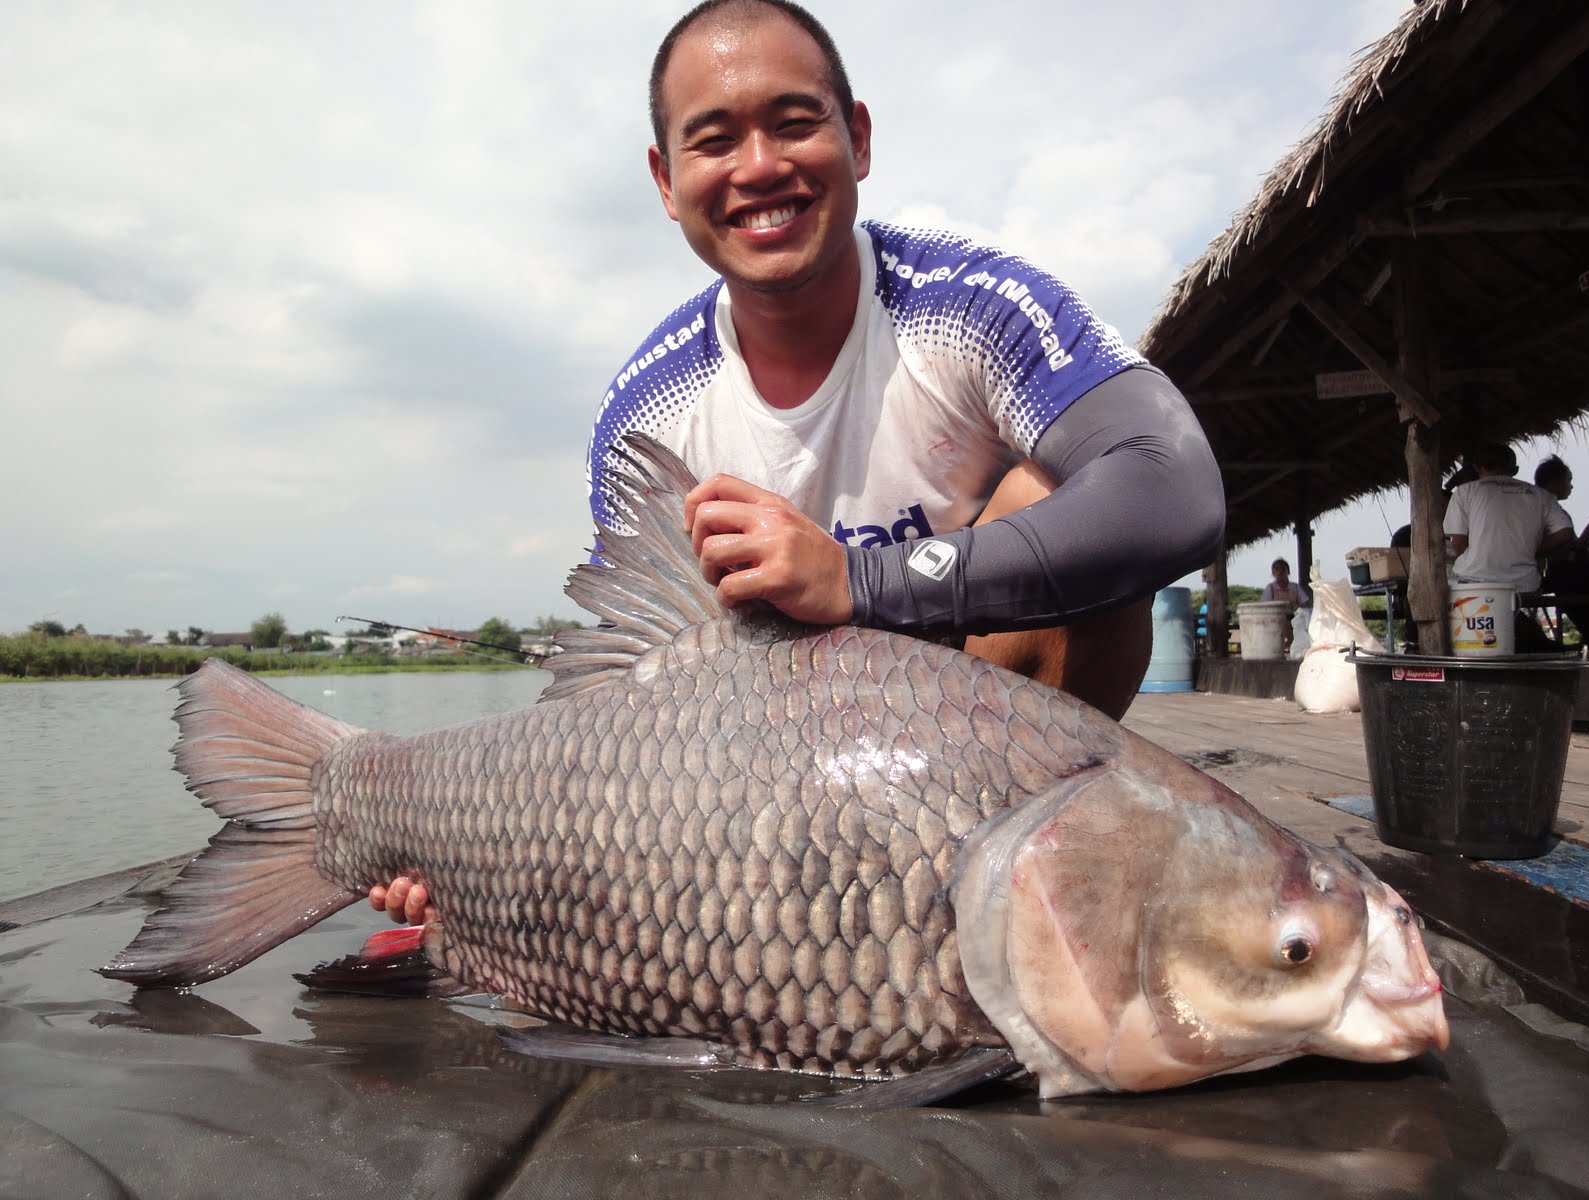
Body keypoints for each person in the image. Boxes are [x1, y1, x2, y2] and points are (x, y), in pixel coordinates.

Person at [371, 0, 1225, 927]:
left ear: (857, 138)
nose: (759, 167)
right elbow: (624, 696)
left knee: (1056, 488)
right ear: (666, 180)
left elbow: (1169, 488)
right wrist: (459, 857)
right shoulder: (647, 417)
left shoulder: (969, 307)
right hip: (768, 798)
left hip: (997, 747)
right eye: (713, 140)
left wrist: (858, 581)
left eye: (794, 122)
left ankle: (1014, 907)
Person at [1443, 444, 1570, 596]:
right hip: (1525, 585)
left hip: (1475, 584)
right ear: (1515, 470)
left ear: (1477, 467)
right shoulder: (1541, 495)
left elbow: (1458, 543)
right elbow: (1565, 532)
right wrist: (1533, 550)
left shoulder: (1464, 492)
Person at [1533, 454, 1589, 647]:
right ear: (1554, 483)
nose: (1571, 486)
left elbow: (1577, 544)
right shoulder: (1547, 510)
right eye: (1568, 481)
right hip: (1562, 573)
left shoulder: (1549, 509)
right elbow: (1571, 544)